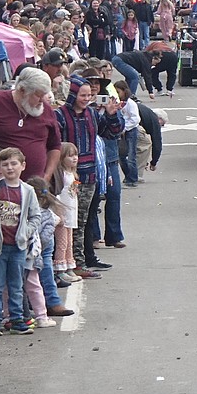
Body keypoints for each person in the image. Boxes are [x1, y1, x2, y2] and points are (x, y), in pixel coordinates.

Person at [55, 76, 122, 278]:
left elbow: (111, 133)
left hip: (91, 174)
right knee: (73, 221)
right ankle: (74, 262)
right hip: (69, 178)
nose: (86, 99)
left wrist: (111, 115)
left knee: (86, 220)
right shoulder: (60, 116)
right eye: (82, 95)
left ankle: (83, 259)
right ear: (73, 95)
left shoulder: (92, 114)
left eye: (89, 95)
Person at [0, 147, 38, 336]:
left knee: (16, 285)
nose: (9, 168)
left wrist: (26, 232)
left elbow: (35, 216)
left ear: (22, 166)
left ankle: (17, 318)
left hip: (18, 246)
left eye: (13, 164)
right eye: (5, 165)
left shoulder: (28, 191)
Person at [0, 67, 62, 182]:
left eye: (44, 95)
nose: (42, 100)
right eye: (38, 95)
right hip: (0, 186)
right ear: (22, 90)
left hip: (34, 187)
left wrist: (47, 176)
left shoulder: (46, 110)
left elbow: (55, 146)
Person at [26, 176, 72, 318]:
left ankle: (51, 302)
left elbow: (45, 236)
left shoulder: (42, 213)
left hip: (40, 247)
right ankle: (47, 302)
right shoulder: (45, 212)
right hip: (37, 246)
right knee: (41, 277)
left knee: (43, 275)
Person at [51, 143, 80, 285]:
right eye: (70, 155)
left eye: (75, 155)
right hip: (62, 214)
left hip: (71, 213)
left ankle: (69, 266)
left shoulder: (72, 173)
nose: (74, 158)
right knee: (62, 243)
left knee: (69, 242)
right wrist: (58, 213)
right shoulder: (60, 175)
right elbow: (57, 196)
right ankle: (60, 270)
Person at [114, 80, 141, 188]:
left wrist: (125, 128)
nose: (117, 94)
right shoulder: (116, 103)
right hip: (121, 132)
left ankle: (133, 178)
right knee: (121, 156)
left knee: (131, 156)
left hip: (131, 131)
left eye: (118, 92)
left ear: (124, 91)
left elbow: (135, 119)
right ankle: (127, 175)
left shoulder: (130, 104)